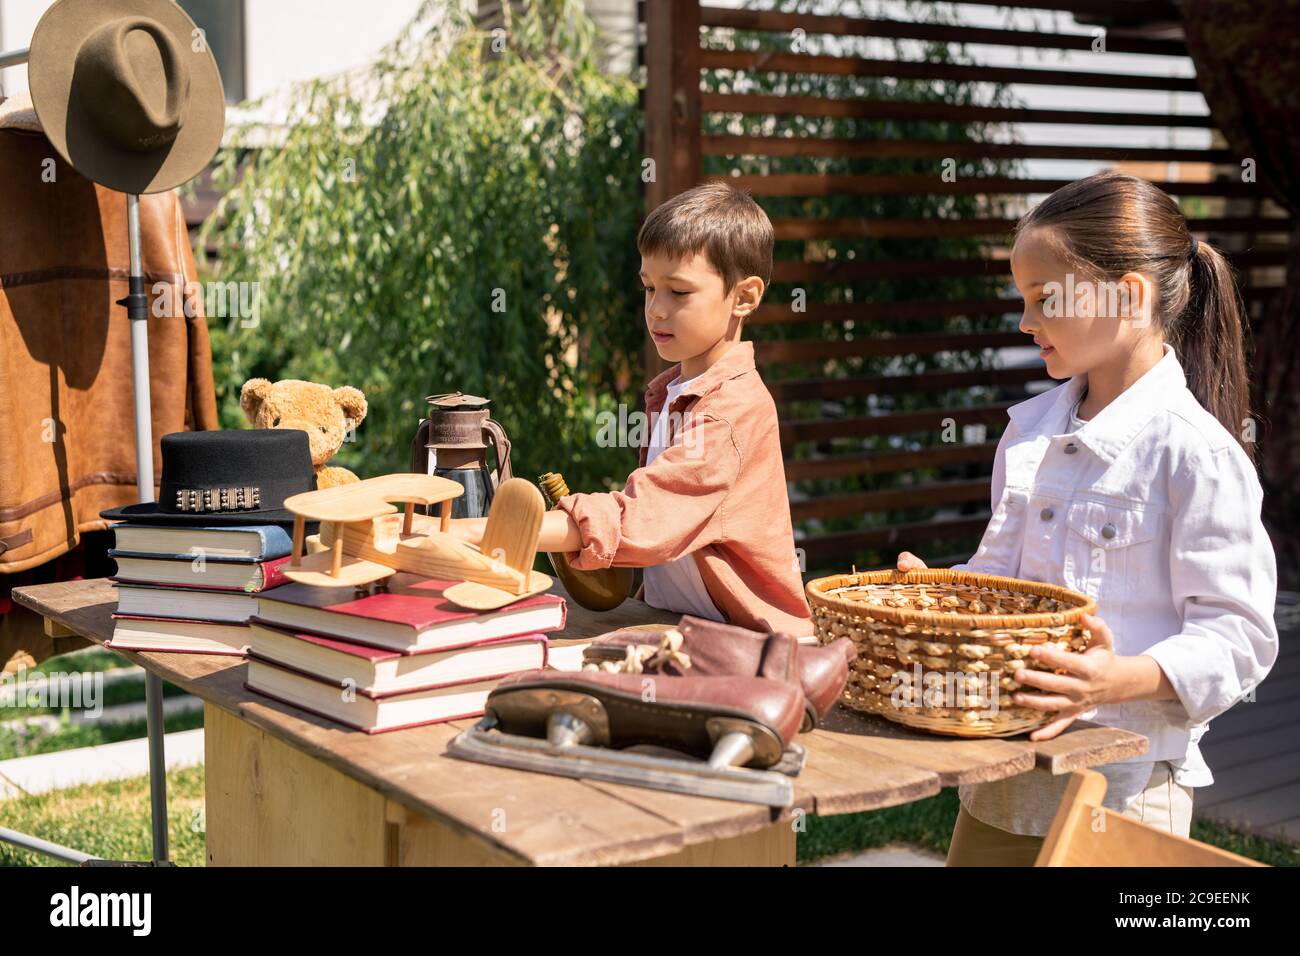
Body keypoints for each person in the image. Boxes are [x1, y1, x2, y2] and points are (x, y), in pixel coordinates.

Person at [898, 171, 1279, 864]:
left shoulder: (1195, 454)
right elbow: (1005, 583)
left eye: (1043, 299)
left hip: (1124, 792)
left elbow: (1240, 637)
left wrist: (1118, 680)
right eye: (1022, 299)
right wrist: (946, 597)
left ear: (1129, 296)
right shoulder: (1029, 433)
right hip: (1004, 784)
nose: (1024, 321)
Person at [453, 180, 812, 635]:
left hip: (755, 647)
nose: (656, 310)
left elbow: (648, 516)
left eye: (678, 293)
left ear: (744, 297)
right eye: (648, 288)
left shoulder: (731, 411)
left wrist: (488, 532)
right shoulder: (673, 393)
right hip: (683, 628)